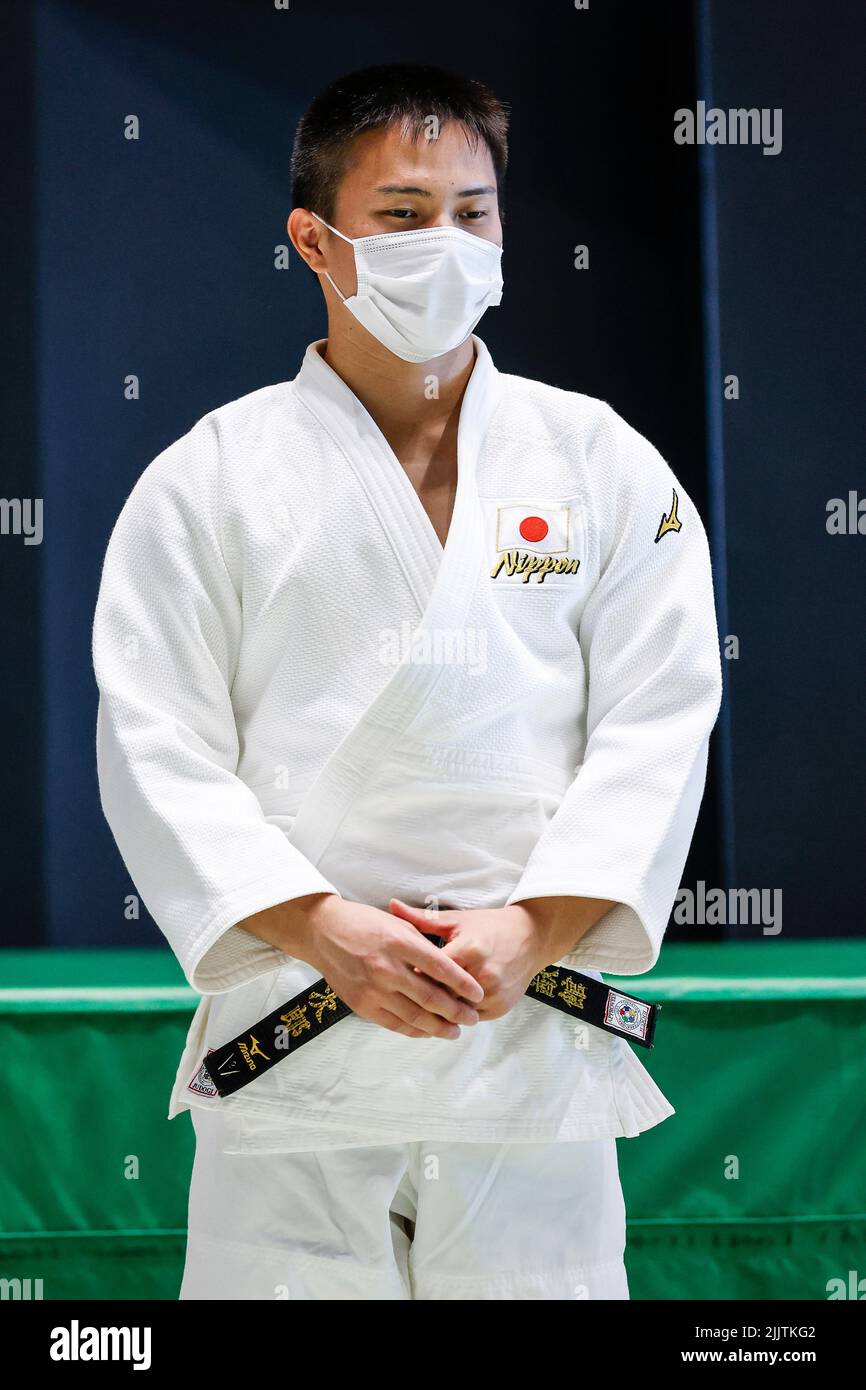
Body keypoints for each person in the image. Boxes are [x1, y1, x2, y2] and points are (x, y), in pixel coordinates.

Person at [92, 62, 723, 1301]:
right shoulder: (205, 479)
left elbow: (658, 720)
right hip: (298, 1033)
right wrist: (322, 928)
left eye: (473, 211)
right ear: (312, 240)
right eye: (400, 214)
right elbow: (154, 744)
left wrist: (528, 927)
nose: (446, 242)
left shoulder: (601, 462)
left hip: (521, 1034)